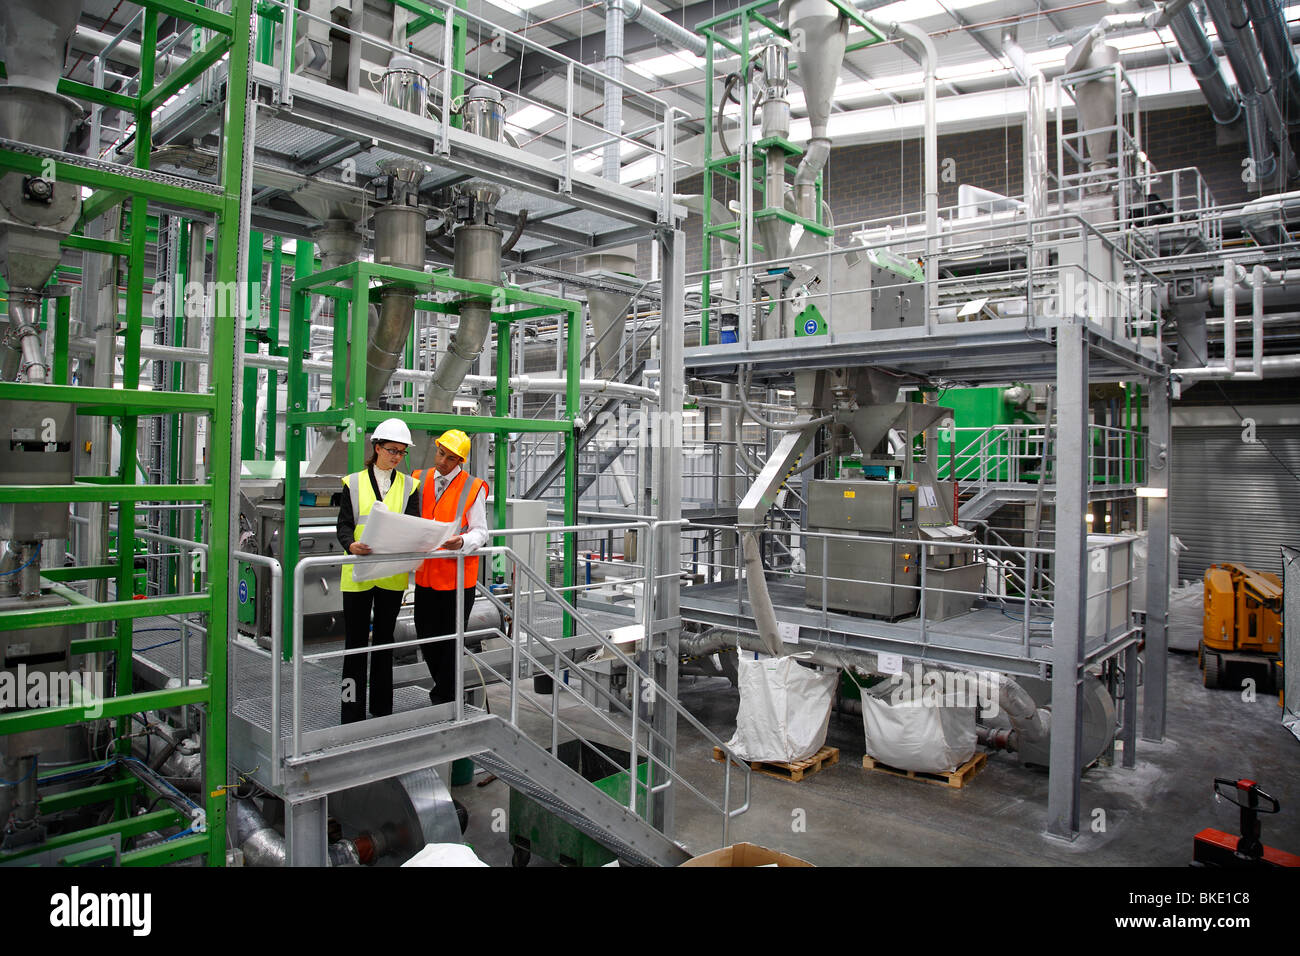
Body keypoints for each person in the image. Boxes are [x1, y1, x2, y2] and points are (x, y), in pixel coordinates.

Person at [336, 418, 420, 724]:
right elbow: (344, 525)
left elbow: (412, 525)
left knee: (385, 641)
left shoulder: (410, 486)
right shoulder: (353, 482)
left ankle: (383, 708)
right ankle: (350, 710)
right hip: (358, 572)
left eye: (401, 452)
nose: (396, 456)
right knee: (355, 643)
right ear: (377, 448)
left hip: (391, 575)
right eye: (391, 450)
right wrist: (351, 545)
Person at [413, 429, 488, 706]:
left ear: (460, 461)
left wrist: (463, 541)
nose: (443, 461)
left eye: (451, 458)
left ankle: (445, 700)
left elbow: (481, 532)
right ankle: (446, 695)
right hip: (426, 575)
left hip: (457, 579)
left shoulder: (473, 486)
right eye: (441, 453)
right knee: (425, 635)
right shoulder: (418, 479)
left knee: (451, 642)